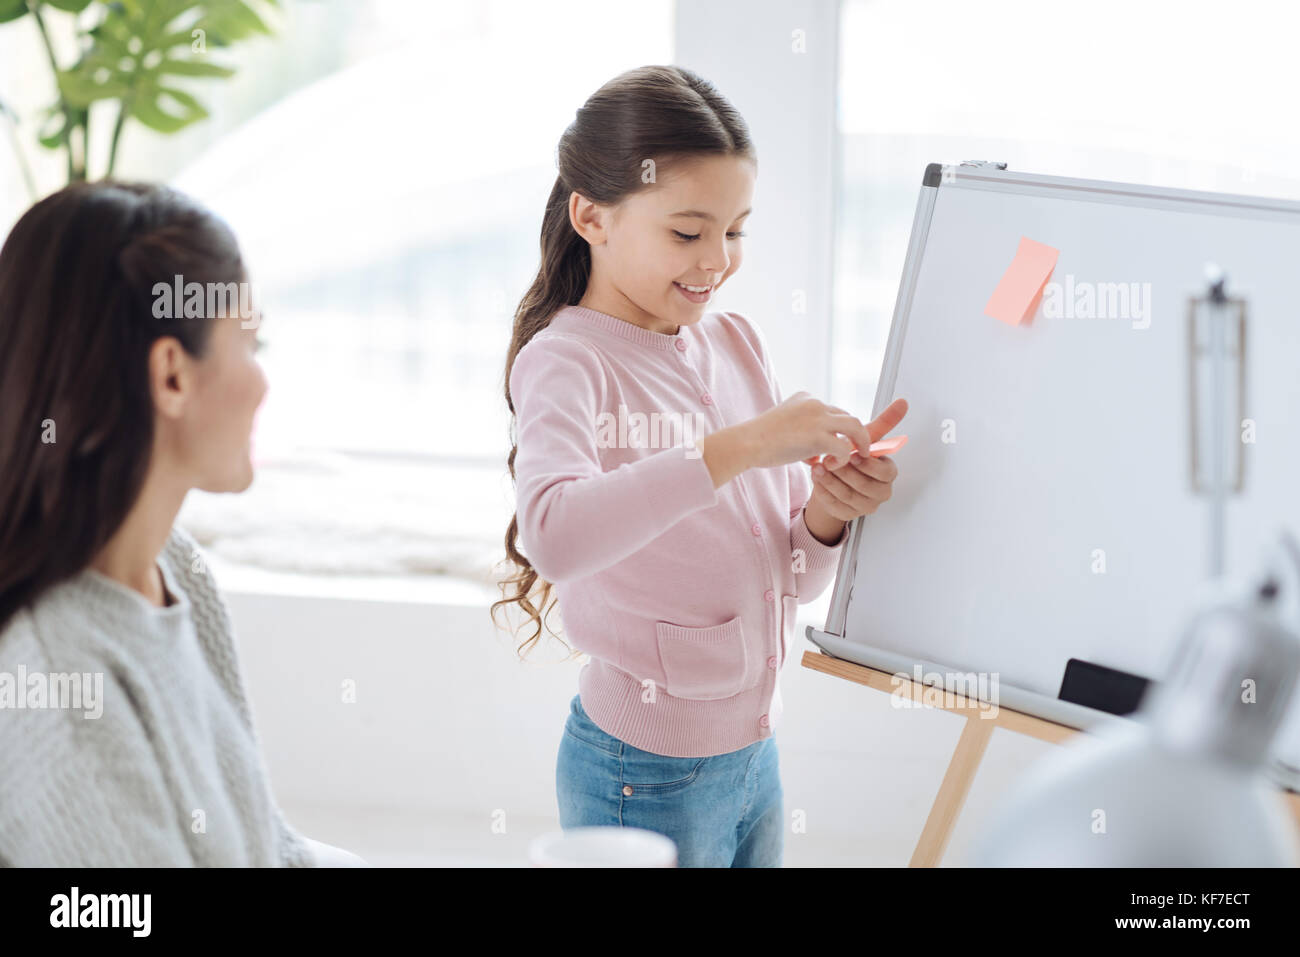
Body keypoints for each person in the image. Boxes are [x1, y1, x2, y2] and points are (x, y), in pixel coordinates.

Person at [494, 65, 908, 867]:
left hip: (753, 754)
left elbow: (786, 572)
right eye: (687, 232)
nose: (716, 260)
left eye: (736, 229)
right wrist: (745, 445)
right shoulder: (568, 362)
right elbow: (554, 535)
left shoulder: (735, 344)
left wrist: (828, 512)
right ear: (592, 216)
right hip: (639, 774)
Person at [0, 181, 356, 866]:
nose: (263, 383)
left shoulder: (177, 567)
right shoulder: (58, 684)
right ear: (171, 375)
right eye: (248, 343)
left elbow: (268, 846)